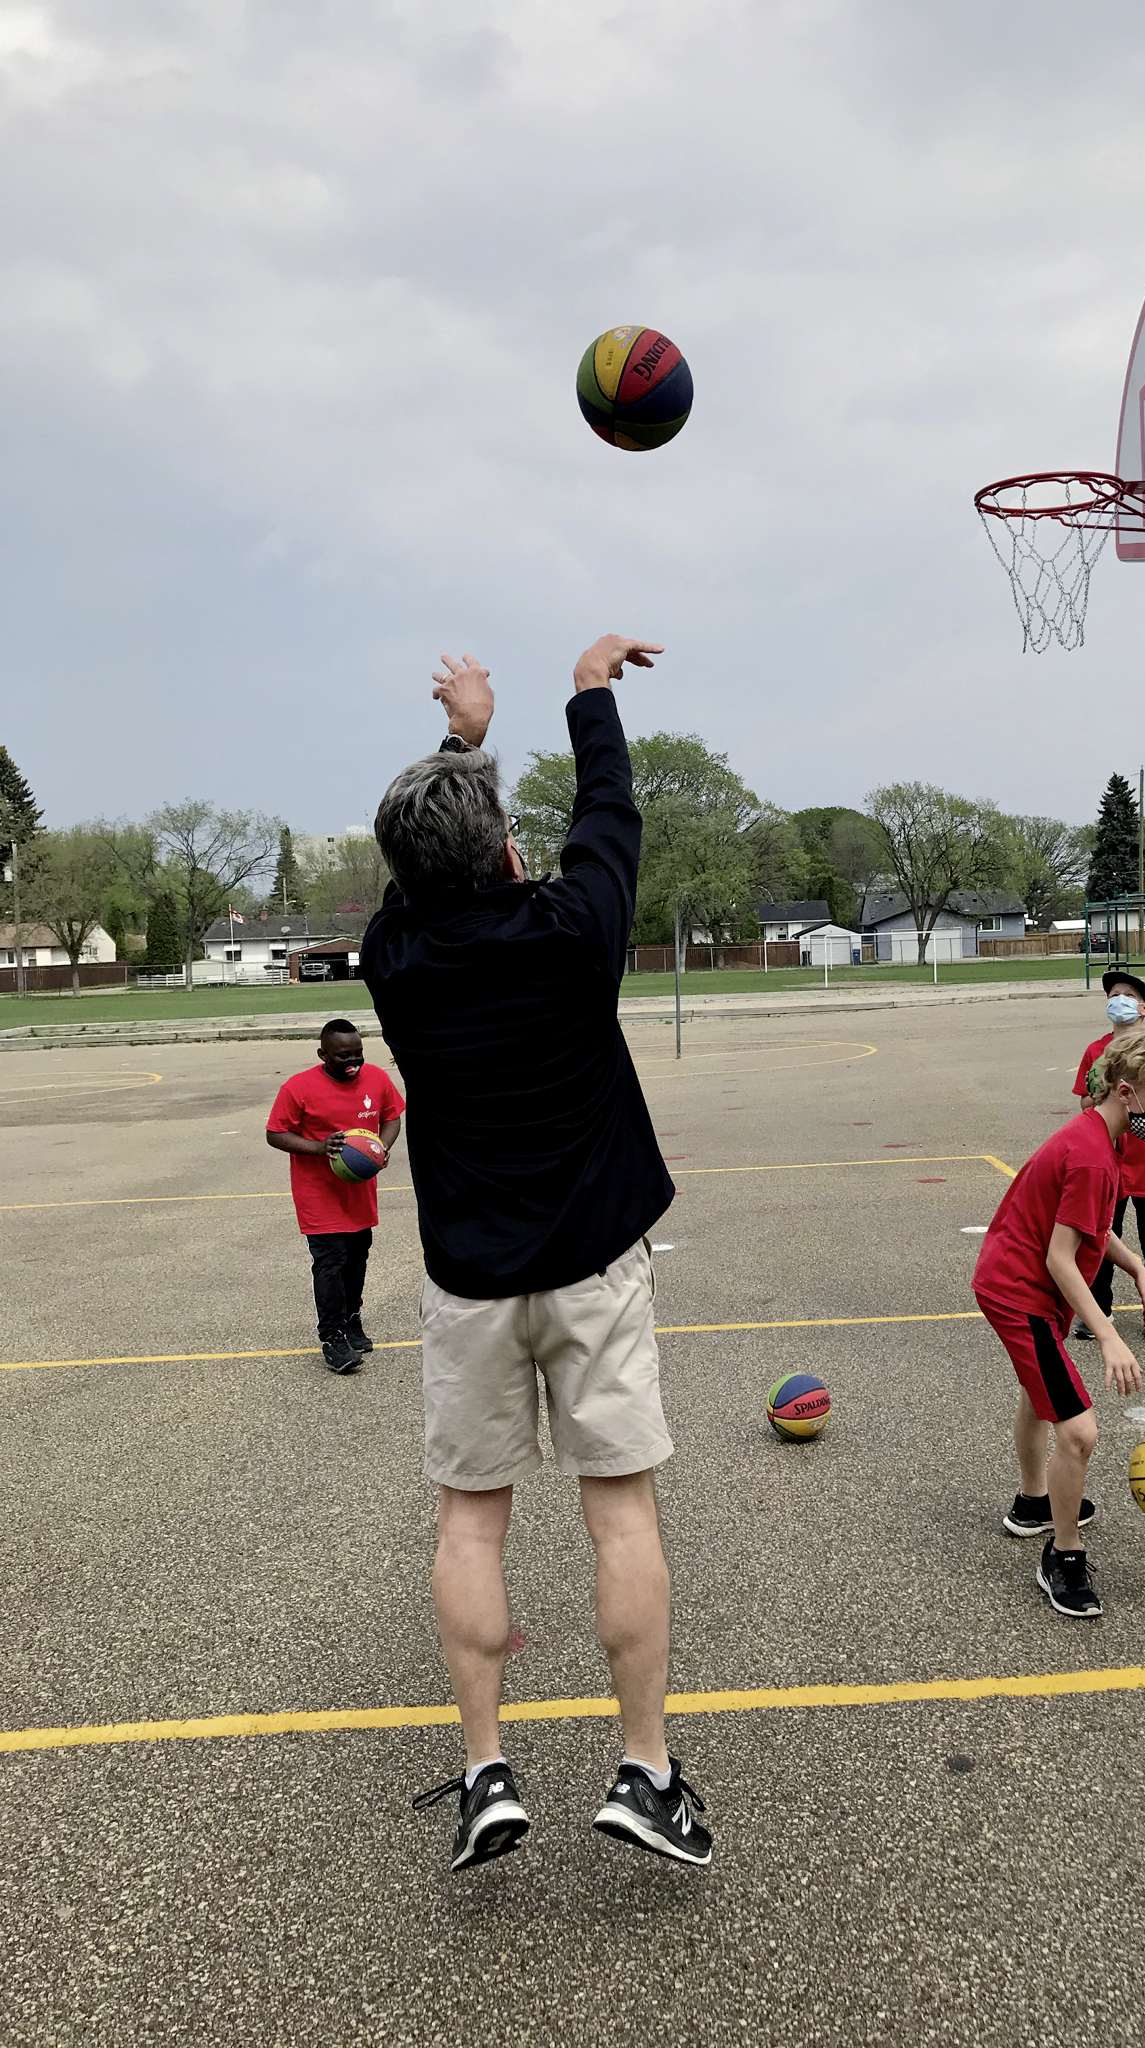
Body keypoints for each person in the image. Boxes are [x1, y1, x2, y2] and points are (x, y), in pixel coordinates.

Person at [362, 637, 712, 1875]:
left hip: (470, 1281)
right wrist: (588, 694)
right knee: (619, 1514)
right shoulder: (573, 930)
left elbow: (420, 879)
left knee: (471, 1526)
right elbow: (609, 814)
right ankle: (644, 1771)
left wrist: (462, 739)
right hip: (593, 1268)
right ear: (511, 851)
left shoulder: (396, 962)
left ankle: (485, 1773)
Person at [973, 1031, 1145, 1619]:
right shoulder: (1093, 1156)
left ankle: (1033, 1504)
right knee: (1079, 1432)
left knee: (1040, 1393)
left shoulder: (1101, 1138)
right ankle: (1064, 1555)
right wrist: (1108, 1334)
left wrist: (1137, 1267)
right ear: (1126, 1093)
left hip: (1024, 1284)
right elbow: (1061, 1256)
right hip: (1020, 1293)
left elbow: (1093, 1227)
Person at [265, 1020, 404, 1375]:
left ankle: (352, 1319)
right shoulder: (298, 1088)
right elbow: (275, 1133)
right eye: (343, 1056)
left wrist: (380, 1148)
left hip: (359, 1191)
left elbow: (392, 1117)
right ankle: (332, 1337)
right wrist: (318, 1147)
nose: (353, 1061)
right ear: (323, 1054)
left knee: (357, 1257)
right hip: (318, 1193)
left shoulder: (377, 1079)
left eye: (358, 1053)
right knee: (330, 1262)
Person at [1070, 966, 1145, 1344]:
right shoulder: (1096, 1051)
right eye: (1112, 996)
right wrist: (1102, 1096)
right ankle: (1098, 1309)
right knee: (1102, 1236)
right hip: (1112, 1156)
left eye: (1128, 996)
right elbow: (1085, 1102)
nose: (1118, 1001)